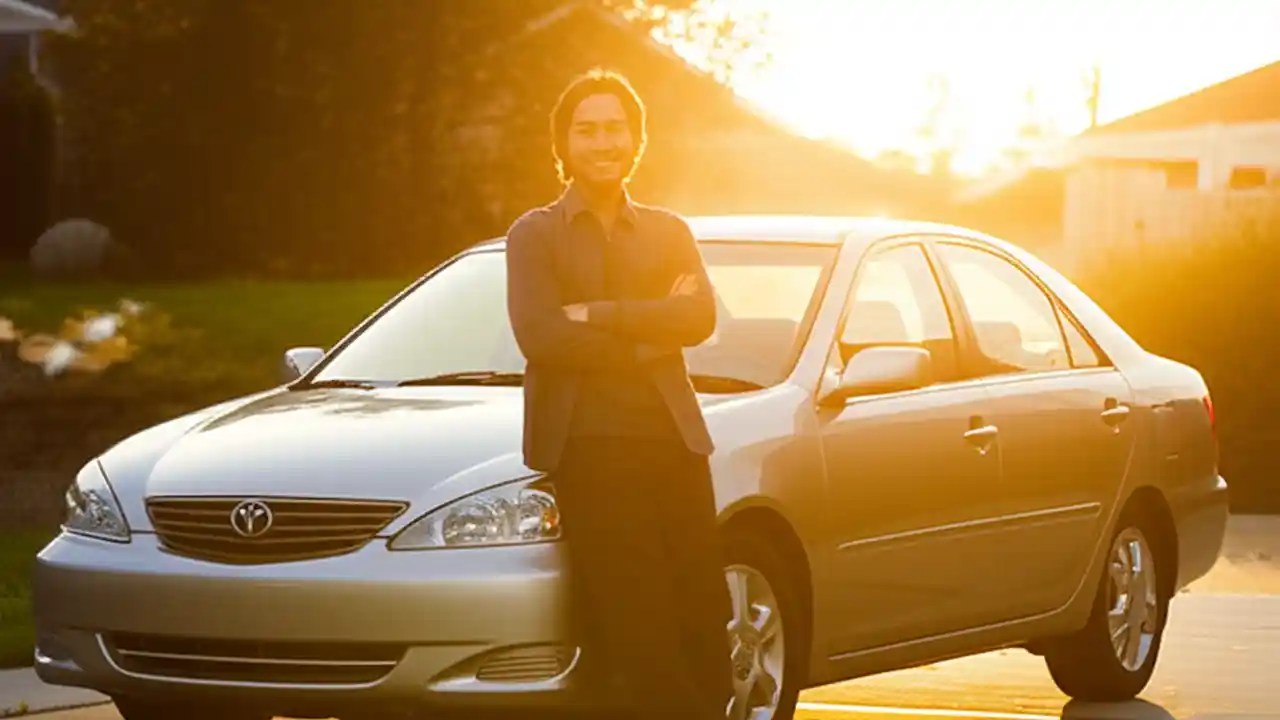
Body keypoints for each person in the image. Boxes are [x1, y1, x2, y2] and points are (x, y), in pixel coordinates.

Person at [504, 68, 735, 719]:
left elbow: (697, 320)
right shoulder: (534, 235)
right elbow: (542, 337)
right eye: (588, 130)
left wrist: (598, 313)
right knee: (637, 625)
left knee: (702, 615)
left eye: (615, 128)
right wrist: (648, 330)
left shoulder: (669, 232)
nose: (604, 142)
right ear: (564, 143)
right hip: (590, 449)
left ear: (636, 139)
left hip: (675, 442)